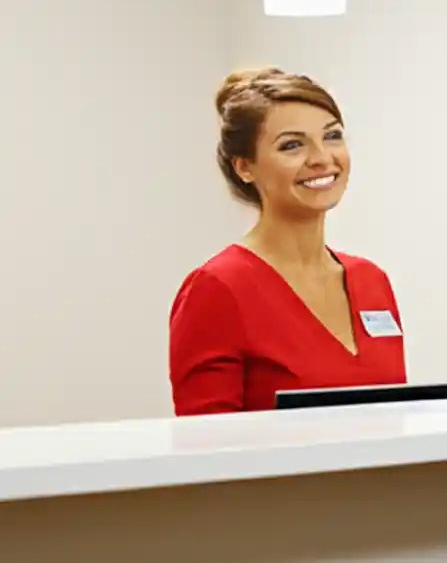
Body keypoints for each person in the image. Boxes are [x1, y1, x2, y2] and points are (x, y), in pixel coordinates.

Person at [168, 68, 406, 415]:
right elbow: (207, 453)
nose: (322, 158)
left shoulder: (371, 281)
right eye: (292, 145)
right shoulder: (218, 288)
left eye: (333, 136)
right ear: (245, 168)